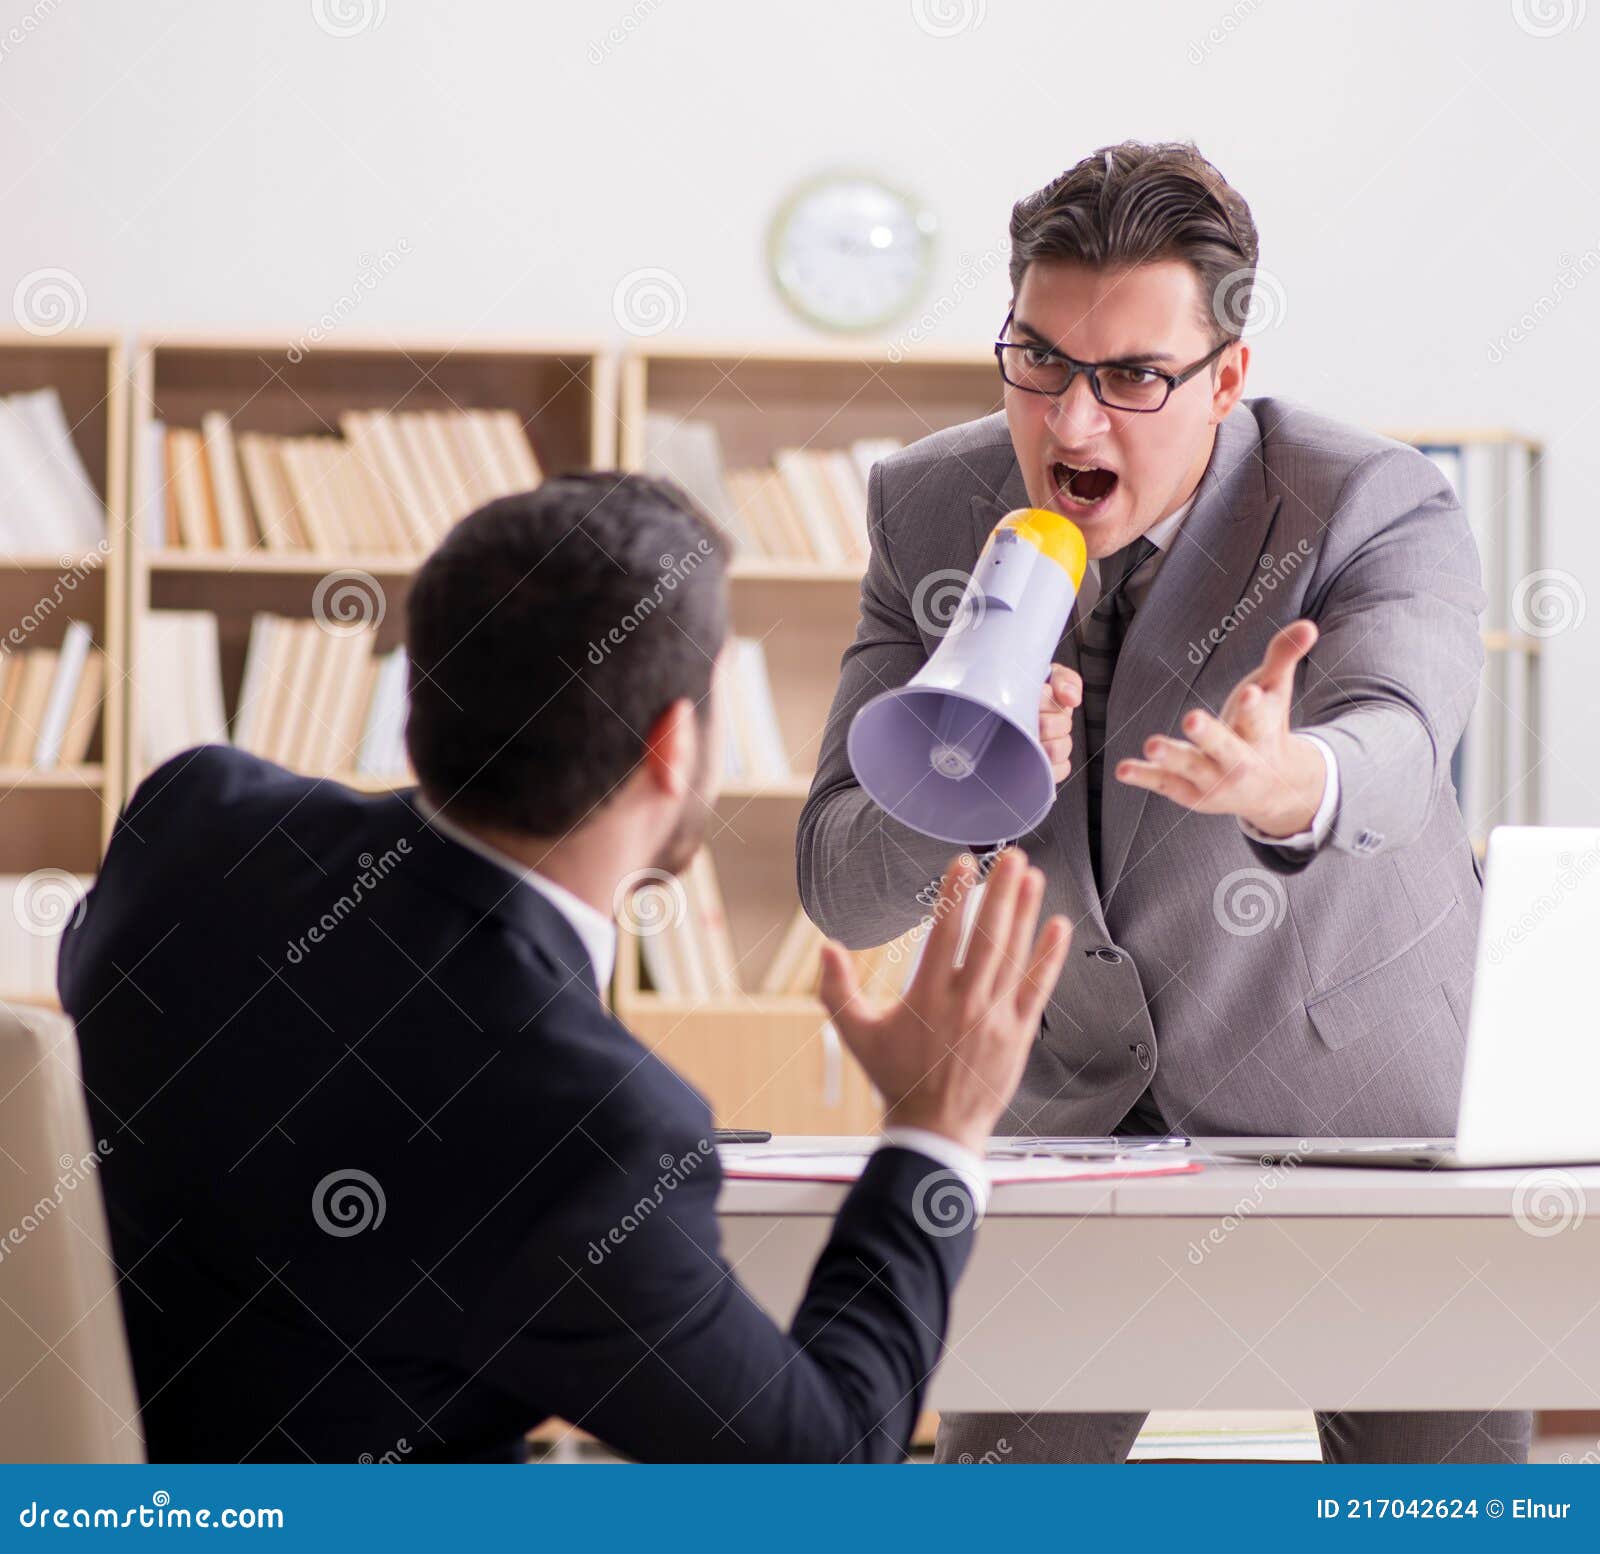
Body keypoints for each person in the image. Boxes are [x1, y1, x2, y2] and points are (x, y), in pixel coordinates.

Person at [59, 472, 1072, 1463]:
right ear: (673, 748)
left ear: (418, 697)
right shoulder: (589, 1130)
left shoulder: (195, 819)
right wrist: (934, 1132)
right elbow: (820, 1465)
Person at [797, 141, 1527, 1465]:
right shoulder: (931, 506)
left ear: (1226, 377)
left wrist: (1288, 781)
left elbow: (1399, 739)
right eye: (1039, 360)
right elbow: (842, 888)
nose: (1071, 426)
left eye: (1134, 377)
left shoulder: (1367, 498)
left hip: (1369, 1109)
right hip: (1076, 1115)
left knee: (1448, 1521)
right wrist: (956, 787)